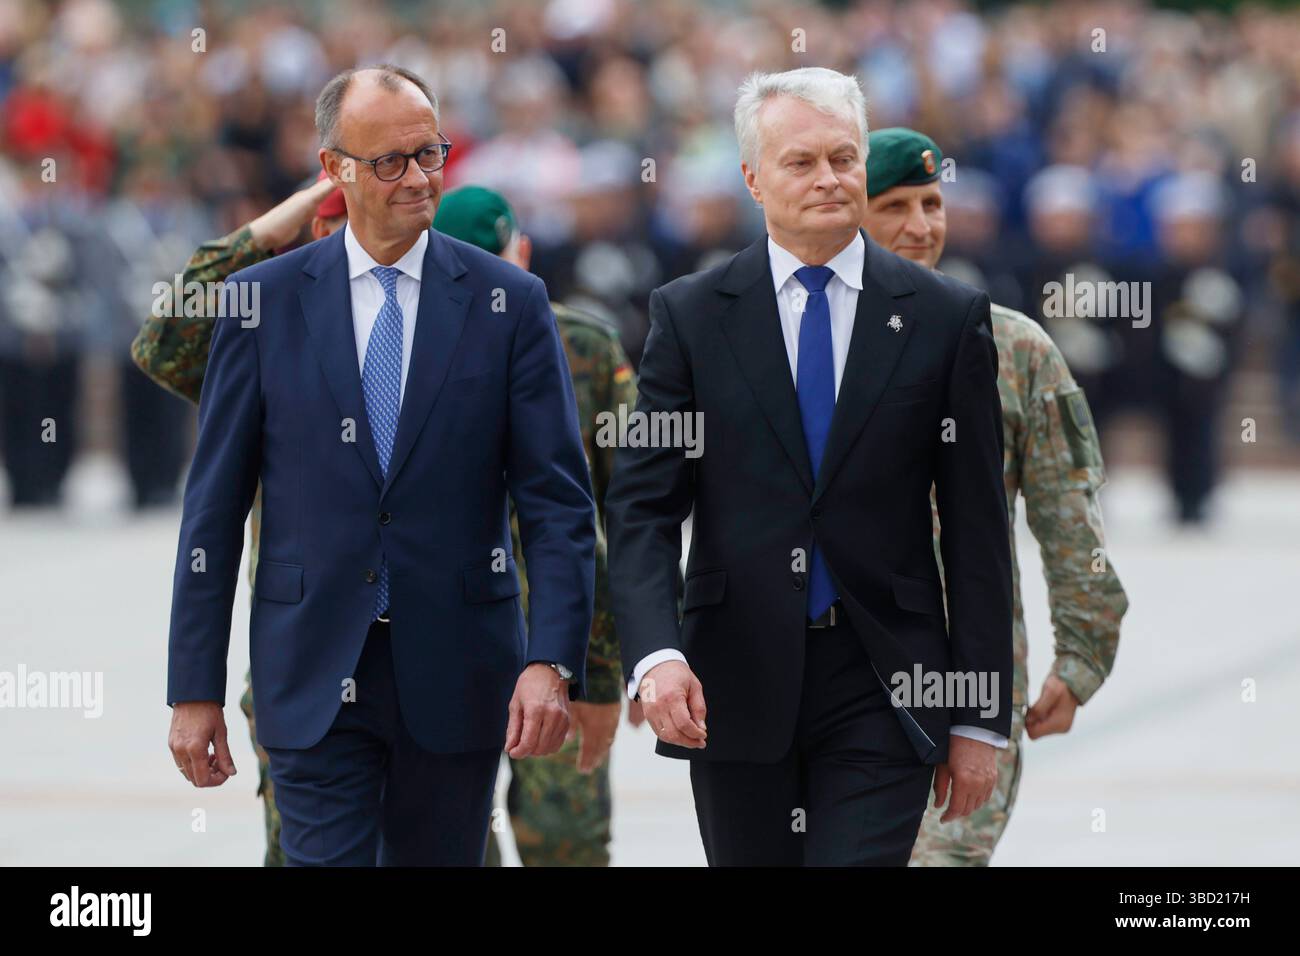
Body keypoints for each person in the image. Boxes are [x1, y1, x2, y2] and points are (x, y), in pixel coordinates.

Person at [163, 64, 595, 866]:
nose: (417, 178)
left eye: (428, 153)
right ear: (334, 170)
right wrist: (194, 687)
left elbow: (557, 504)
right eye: (389, 161)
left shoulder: (509, 305)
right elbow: (213, 511)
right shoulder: (262, 303)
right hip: (309, 665)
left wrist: (551, 659)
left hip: (461, 670)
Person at [605, 68, 1014, 866]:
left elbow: (977, 530)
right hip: (732, 680)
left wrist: (976, 716)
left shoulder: (943, 317)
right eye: (801, 162)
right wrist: (656, 656)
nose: (828, 178)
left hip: (885, 680)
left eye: (843, 157)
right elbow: (643, 507)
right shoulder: (690, 316)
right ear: (754, 179)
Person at [856, 127, 1128, 865]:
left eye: (933, 203)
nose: (922, 226)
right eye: (896, 207)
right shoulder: (804, 340)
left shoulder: (1013, 348)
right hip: (838, 678)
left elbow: (1070, 518)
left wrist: (1082, 654)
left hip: (967, 680)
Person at [433, 186, 633, 866]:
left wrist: (614, 669)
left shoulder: (581, 345)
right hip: (446, 649)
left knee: (565, 844)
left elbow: (622, 512)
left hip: (556, 643)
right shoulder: (405, 348)